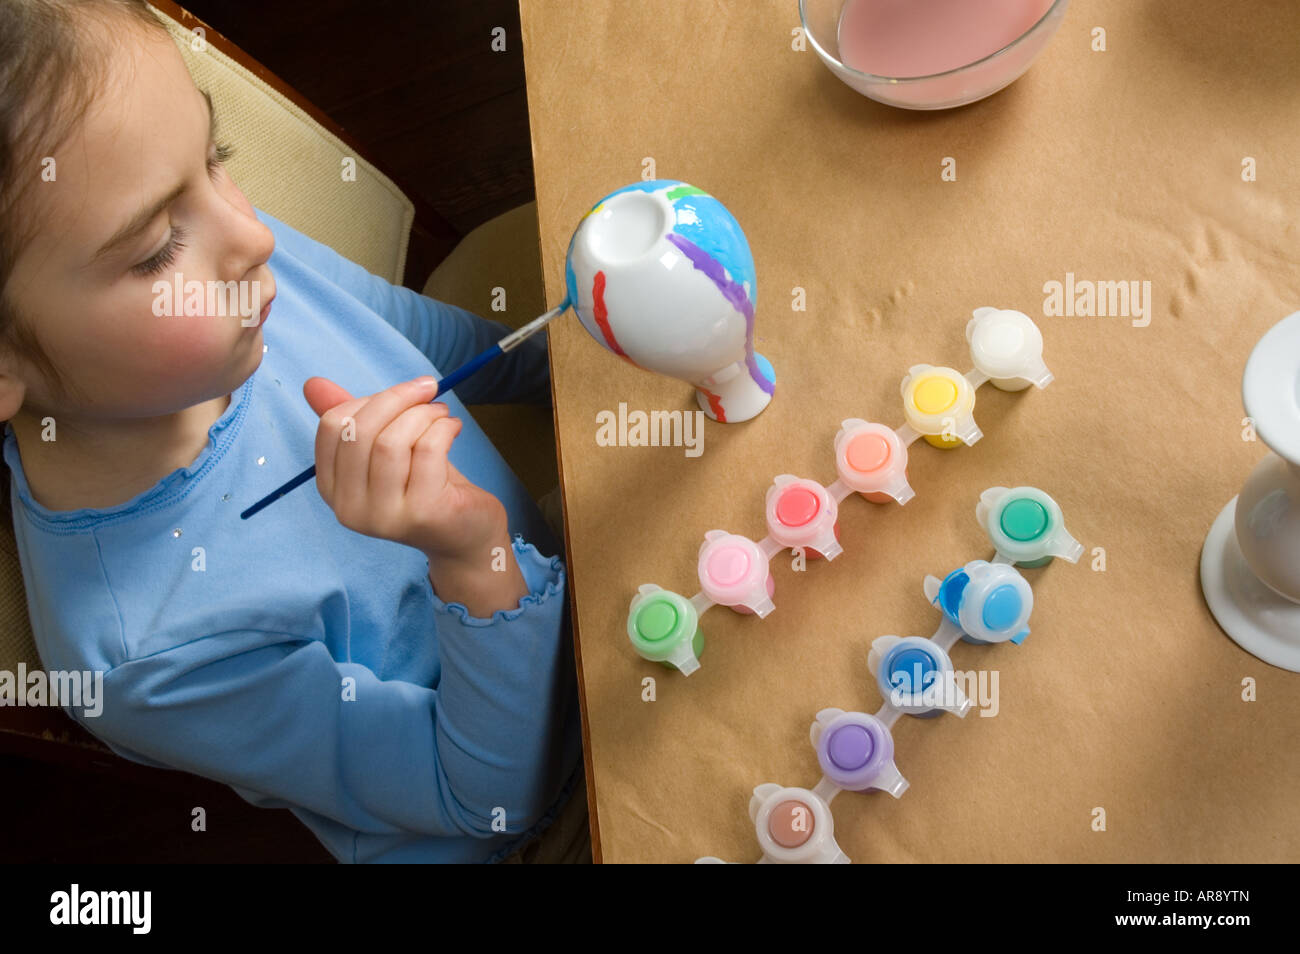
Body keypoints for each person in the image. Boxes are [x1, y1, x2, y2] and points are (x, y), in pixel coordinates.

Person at [0, 0, 588, 863]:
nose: (254, 234)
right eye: (160, 246)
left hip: (580, 581)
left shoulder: (234, 268)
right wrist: (474, 558)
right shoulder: (146, 653)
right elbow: (489, 800)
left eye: (216, 159)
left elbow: (420, 340)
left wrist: (580, 362)